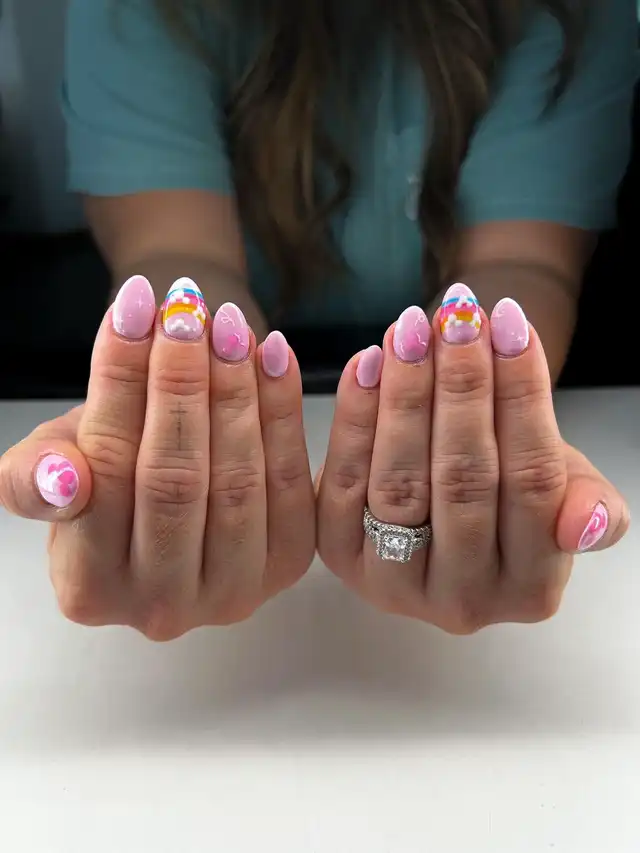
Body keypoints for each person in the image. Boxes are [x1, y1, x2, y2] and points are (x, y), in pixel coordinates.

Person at [0, 0, 635, 639]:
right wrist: (170, 393)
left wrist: (477, 397)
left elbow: (523, 264)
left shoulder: (578, 13)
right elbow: (174, 253)